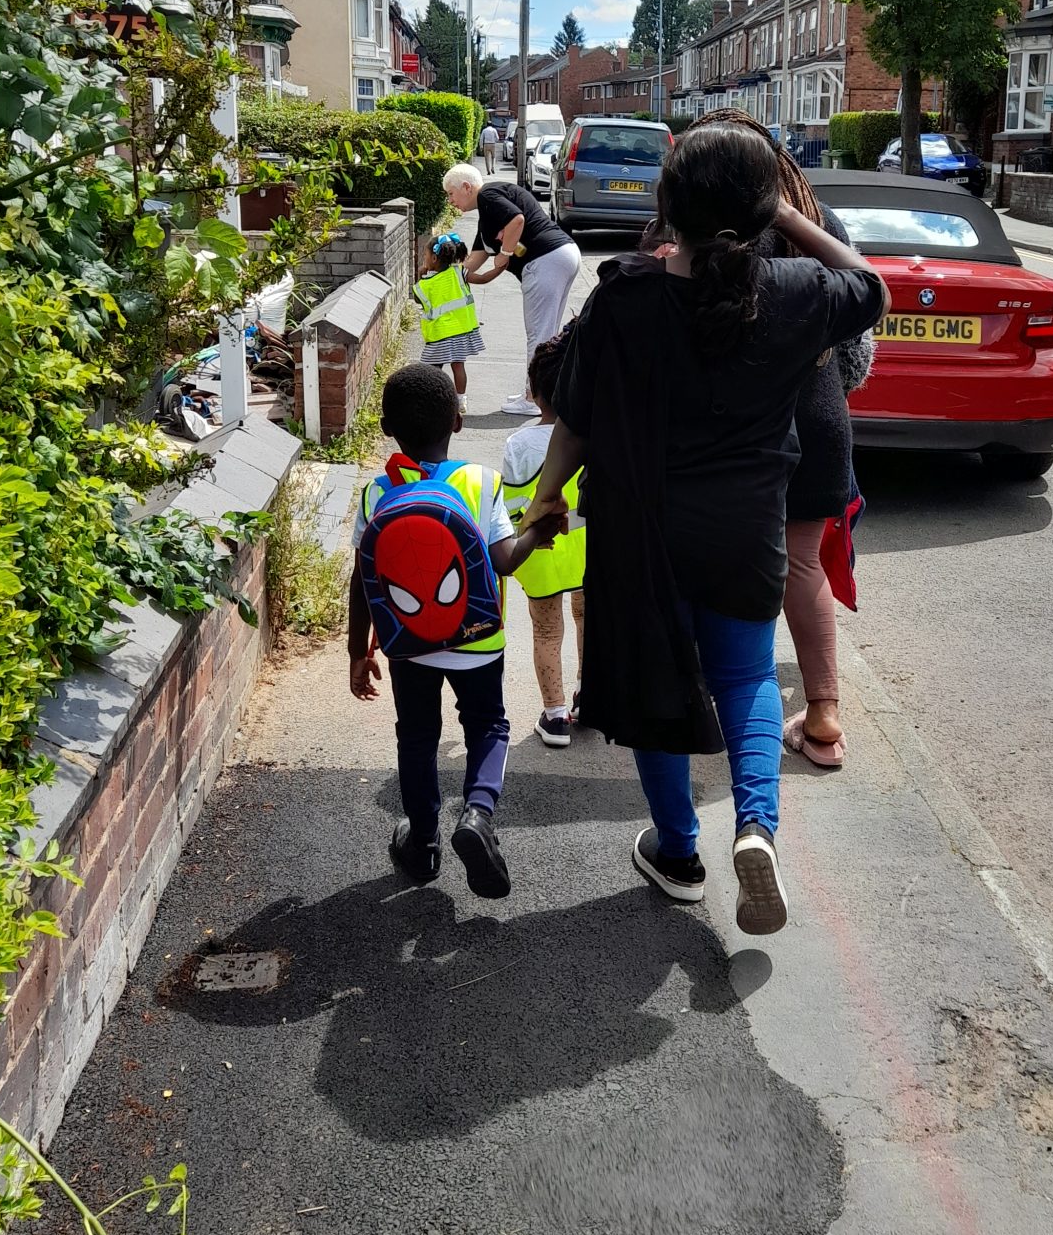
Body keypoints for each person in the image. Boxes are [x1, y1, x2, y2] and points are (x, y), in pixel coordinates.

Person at [524, 125, 887, 936]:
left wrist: (545, 502)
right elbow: (868, 285)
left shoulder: (624, 294)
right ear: (764, 212)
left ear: (665, 206)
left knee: (659, 684)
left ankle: (679, 851)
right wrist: (784, 219)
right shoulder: (796, 293)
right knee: (749, 679)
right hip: (747, 532)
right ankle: (755, 827)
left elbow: (574, 416)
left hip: (641, 534)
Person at [695, 110, 868, 770]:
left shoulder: (693, 227)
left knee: (712, 562)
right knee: (802, 564)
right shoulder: (815, 221)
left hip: (727, 431)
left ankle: (715, 701)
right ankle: (823, 717)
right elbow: (858, 336)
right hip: (817, 414)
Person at [348, 365, 552, 900]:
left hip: (408, 647)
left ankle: (422, 843)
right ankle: (478, 815)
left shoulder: (375, 494)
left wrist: (357, 652)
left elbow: (361, 580)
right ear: (458, 422)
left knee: (417, 736)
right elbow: (505, 561)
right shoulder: (481, 482)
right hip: (478, 640)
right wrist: (538, 531)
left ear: (388, 426)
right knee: (488, 725)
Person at [501, 328, 585, 749]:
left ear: (533, 393)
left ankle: (555, 716)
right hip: (587, 552)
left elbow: (514, 501)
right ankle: (589, 698)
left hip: (542, 551)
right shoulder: (593, 434)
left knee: (547, 631)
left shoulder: (518, 443)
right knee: (588, 619)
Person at [445, 162, 581, 418]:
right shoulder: (487, 215)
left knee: (539, 334)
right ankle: (539, 393)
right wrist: (449, 276)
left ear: (466, 187)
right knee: (547, 332)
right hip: (561, 256)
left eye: (451, 194)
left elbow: (516, 220)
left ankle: (534, 399)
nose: (450, 200)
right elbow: (475, 259)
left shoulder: (488, 194)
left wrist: (505, 253)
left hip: (545, 260)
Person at [412, 230, 484, 410]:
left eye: (426, 255)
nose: (424, 258)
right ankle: (461, 400)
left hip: (439, 335)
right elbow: (481, 279)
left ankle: (433, 400)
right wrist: (499, 268)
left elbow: (417, 298)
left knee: (432, 370)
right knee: (458, 366)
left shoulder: (425, 283)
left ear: (434, 259)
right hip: (461, 330)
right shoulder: (458, 272)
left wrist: (420, 275)